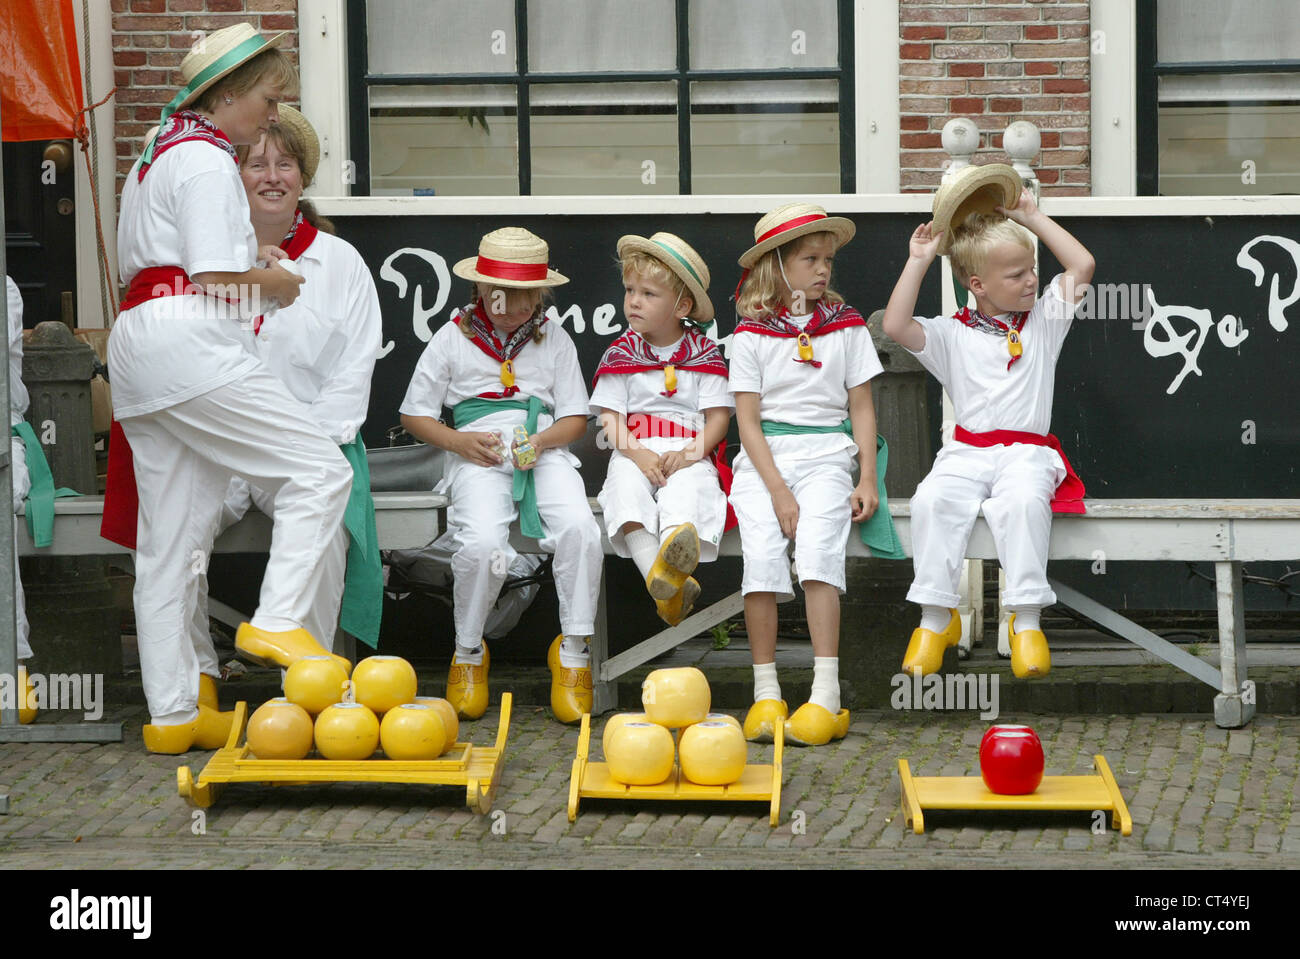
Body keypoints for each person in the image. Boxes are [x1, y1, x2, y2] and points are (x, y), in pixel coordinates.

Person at [103, 24, 353, 753]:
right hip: (191, 343)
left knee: (169, 545)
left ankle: (175, 714)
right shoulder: (210, 160)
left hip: (139, 346)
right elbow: (213, 280)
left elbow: (167, 265)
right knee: (320, 470)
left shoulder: (153, 155)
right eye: (270, 98)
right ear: (232, 93)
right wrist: (272, 281)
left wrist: (251, 258)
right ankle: (277, 617)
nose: (274, 114)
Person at [189, 105, 383, 679]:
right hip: (218, 446)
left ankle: (310, 684)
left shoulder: (341, 263)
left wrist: (301, 443)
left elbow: (354, 368)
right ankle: (194, 675)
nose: (273, 176)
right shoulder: (205, 263)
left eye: (287, 164)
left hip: (303, 445)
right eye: (256, 164)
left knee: (323, 522)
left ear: (302, 177)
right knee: (175, 533)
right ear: (234, 177)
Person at [882, 177, 1094, 680]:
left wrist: (1030, 218)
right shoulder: (950, 332)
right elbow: (894, 326)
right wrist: (919, 258)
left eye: (1032, 271)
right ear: (977, 284)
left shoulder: (1044, 320)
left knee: (1022, 504)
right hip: (967, 453)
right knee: (931, 501)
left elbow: (1081, 265)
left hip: (1026, 453)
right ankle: (935, 621)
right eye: (1017, 275)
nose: (1030, 282)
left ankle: (1027, 621)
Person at [399, 228, 602, 724]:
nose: (511, 306)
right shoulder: (451, 336)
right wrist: (458, 442)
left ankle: (573, 653)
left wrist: (541, 442)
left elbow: (576, 417)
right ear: (480, 288)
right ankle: (468, 652)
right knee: (483, 546)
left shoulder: (553, 336)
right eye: (501, 293)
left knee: (580, 528)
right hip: (477, 455)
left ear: (540, 294)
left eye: (524, 295)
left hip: (544, 449)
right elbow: (413, 414)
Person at [728, 203, 882, 747]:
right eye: (809, 259)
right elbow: (747, 422)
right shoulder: (749, 336)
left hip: (826, 456)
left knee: (818, 552)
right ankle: (766, 692)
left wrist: (867, 478)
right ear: (777, 266)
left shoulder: (847, 327)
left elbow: (860, 407)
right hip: (765, 460)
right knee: (764, 558)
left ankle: (825, 693)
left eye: (828, 260)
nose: (822, 270)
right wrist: (777, 491)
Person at [590, 233, 731, 627]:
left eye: (649, 294)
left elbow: (718, 419)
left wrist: (688, 455)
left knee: (687, 494)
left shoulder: (704, 355)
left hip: (687, 449)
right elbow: (610, 418)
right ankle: (665, 586)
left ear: (682, 305)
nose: (634, 301)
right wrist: (636, 453)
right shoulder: (622, 353)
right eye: (630, 290)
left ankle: (670, 567)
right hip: (635, 447)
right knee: (625, 490)